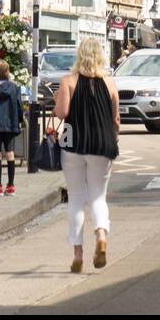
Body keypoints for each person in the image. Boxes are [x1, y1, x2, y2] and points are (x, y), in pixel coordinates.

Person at [54, 37, 120, 273]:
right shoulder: (110, 83)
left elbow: (61, 113)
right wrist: (114, 139)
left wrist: (56, 103)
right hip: (102, 146)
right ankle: (101, 235)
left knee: (76, 198)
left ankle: (78, 253)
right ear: (100, 56)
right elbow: (116, 120)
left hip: (73, 144)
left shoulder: (68, 81)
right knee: (98, 198)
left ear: (79, 56)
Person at [0, 59, 24, 196]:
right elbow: (19, 106)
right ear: (7, 72)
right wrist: (20, 120)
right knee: (10, 153)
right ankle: (10, 186)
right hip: (10, 123)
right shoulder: (14, 88)